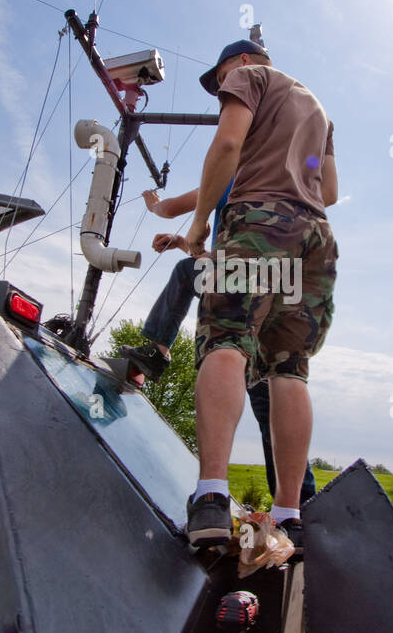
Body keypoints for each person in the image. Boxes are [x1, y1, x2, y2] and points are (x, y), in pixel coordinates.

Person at [182, 39, 338, 557]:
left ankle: (210, 497)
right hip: (315, 236)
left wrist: (200, 222)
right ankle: (290, 516)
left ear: (244, 61)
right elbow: (330, 189)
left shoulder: (251, 79)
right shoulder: (315, 106)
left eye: (220, 76)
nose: (218, 88)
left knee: (225, 341)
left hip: (258, 221)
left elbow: (226, 146)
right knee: (288, 368)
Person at [117, 183, 317, 505]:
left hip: (242, 282)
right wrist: (185, 243)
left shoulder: (230, 174)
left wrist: (154, 205)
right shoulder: (291, 183)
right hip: (281, 295)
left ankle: (156, 351)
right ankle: (301, 507)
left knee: (186, 273)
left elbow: (171, 211)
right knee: (268, 404)